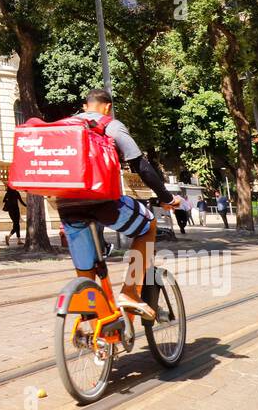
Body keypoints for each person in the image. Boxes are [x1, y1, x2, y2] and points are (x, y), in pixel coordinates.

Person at [56, 89, 183, 321]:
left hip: (66, 206)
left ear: (85, 106)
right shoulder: (110, 125)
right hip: (102, 202)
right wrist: (166, 198)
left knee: (86, 274)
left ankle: (93, 327)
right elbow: (140, 165)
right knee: (149, 225)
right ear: (107, 107)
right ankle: (130, 293)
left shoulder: (63, 125)